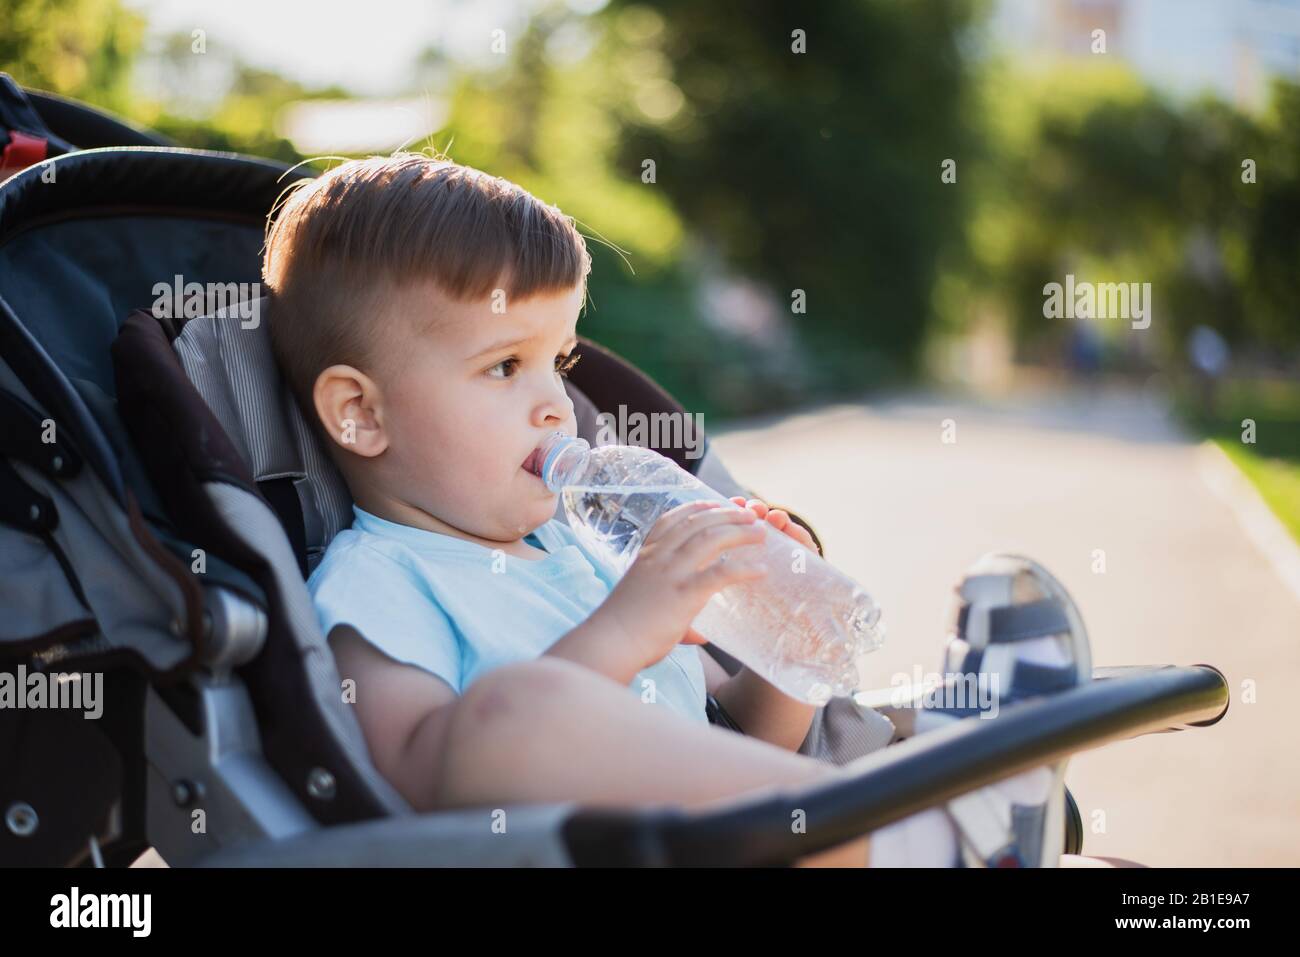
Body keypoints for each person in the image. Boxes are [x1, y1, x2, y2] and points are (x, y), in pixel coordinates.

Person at [263, 153, 1138, 867]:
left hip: (740, 848)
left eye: (558, 362)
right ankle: (929, 829)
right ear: (361, 413)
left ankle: (951, 786)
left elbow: (739, 734)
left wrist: (785, 650)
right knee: (513, 712)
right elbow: (417, 781)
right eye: (503, 367)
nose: (555, 408)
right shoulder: (379, 581)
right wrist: (624, 628)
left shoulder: (581, 549)